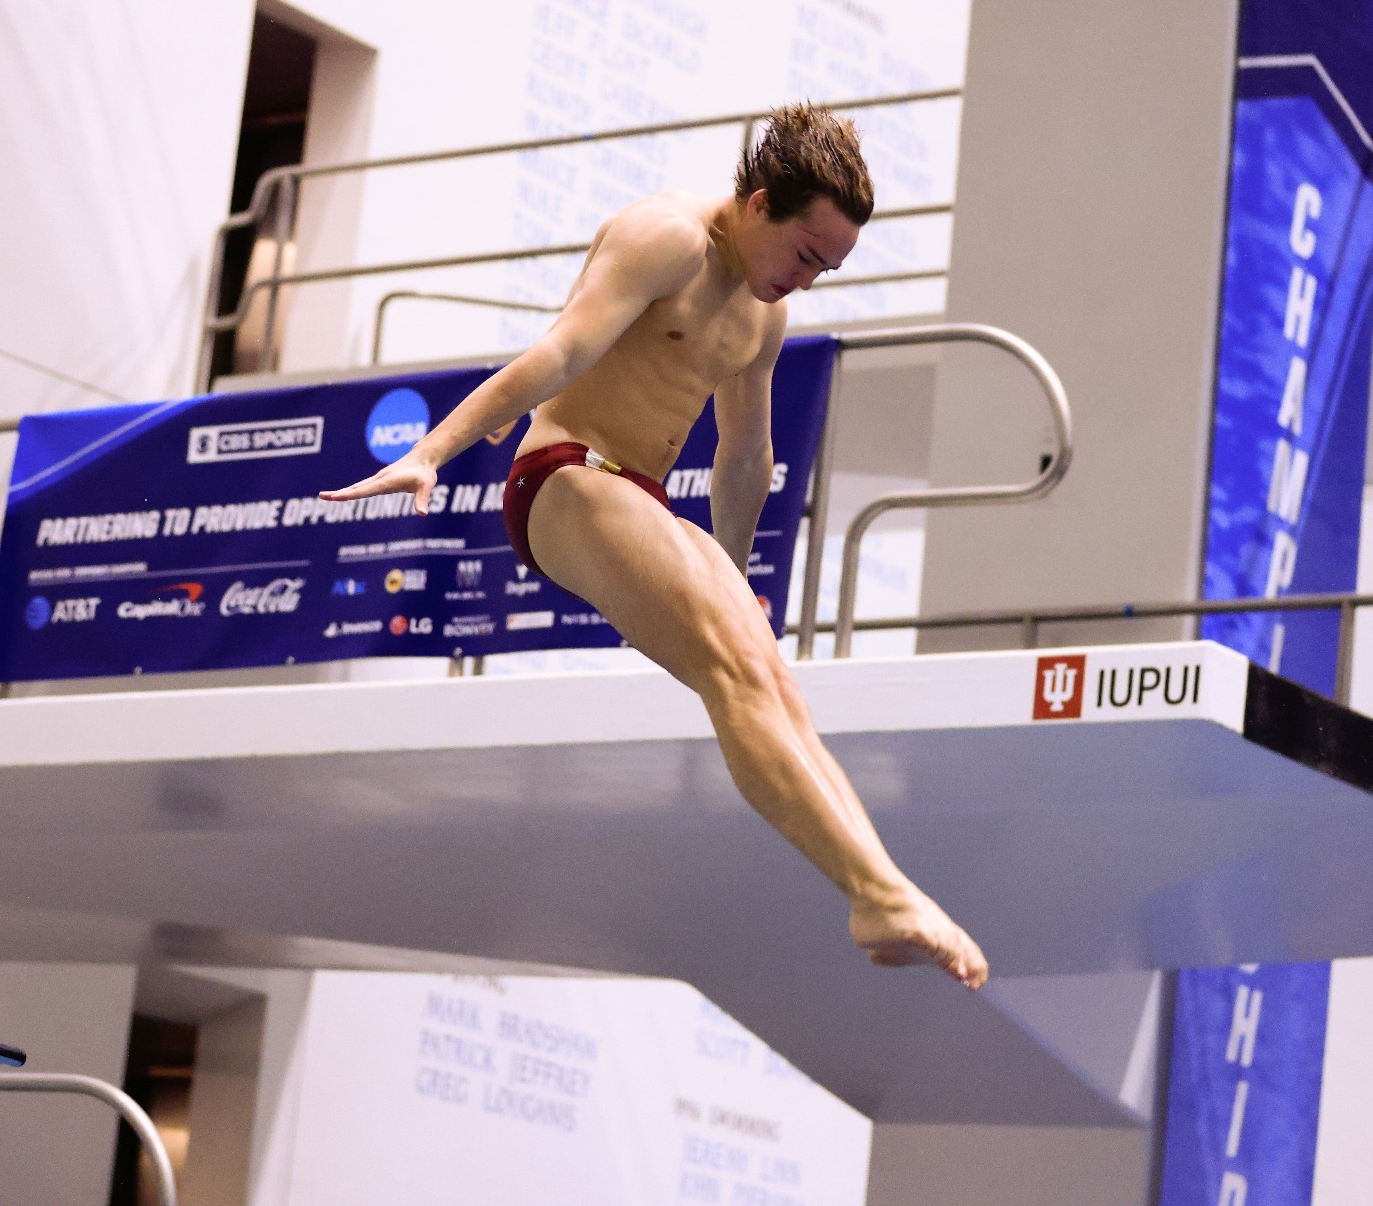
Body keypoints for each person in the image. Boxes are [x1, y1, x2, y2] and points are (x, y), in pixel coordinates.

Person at [321, 104, 987, 988]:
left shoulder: (765, 315)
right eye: (804, 254)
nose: (808, 281)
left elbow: (746, 456)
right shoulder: (663, 239)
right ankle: (875, 889)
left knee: (772, 680)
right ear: (756, 204)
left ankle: (881, 888)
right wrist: (432, 450)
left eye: (829, 268)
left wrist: (737, 577)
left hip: (640, 496)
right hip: (561, 475)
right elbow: (558, 352)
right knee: (731, 672)